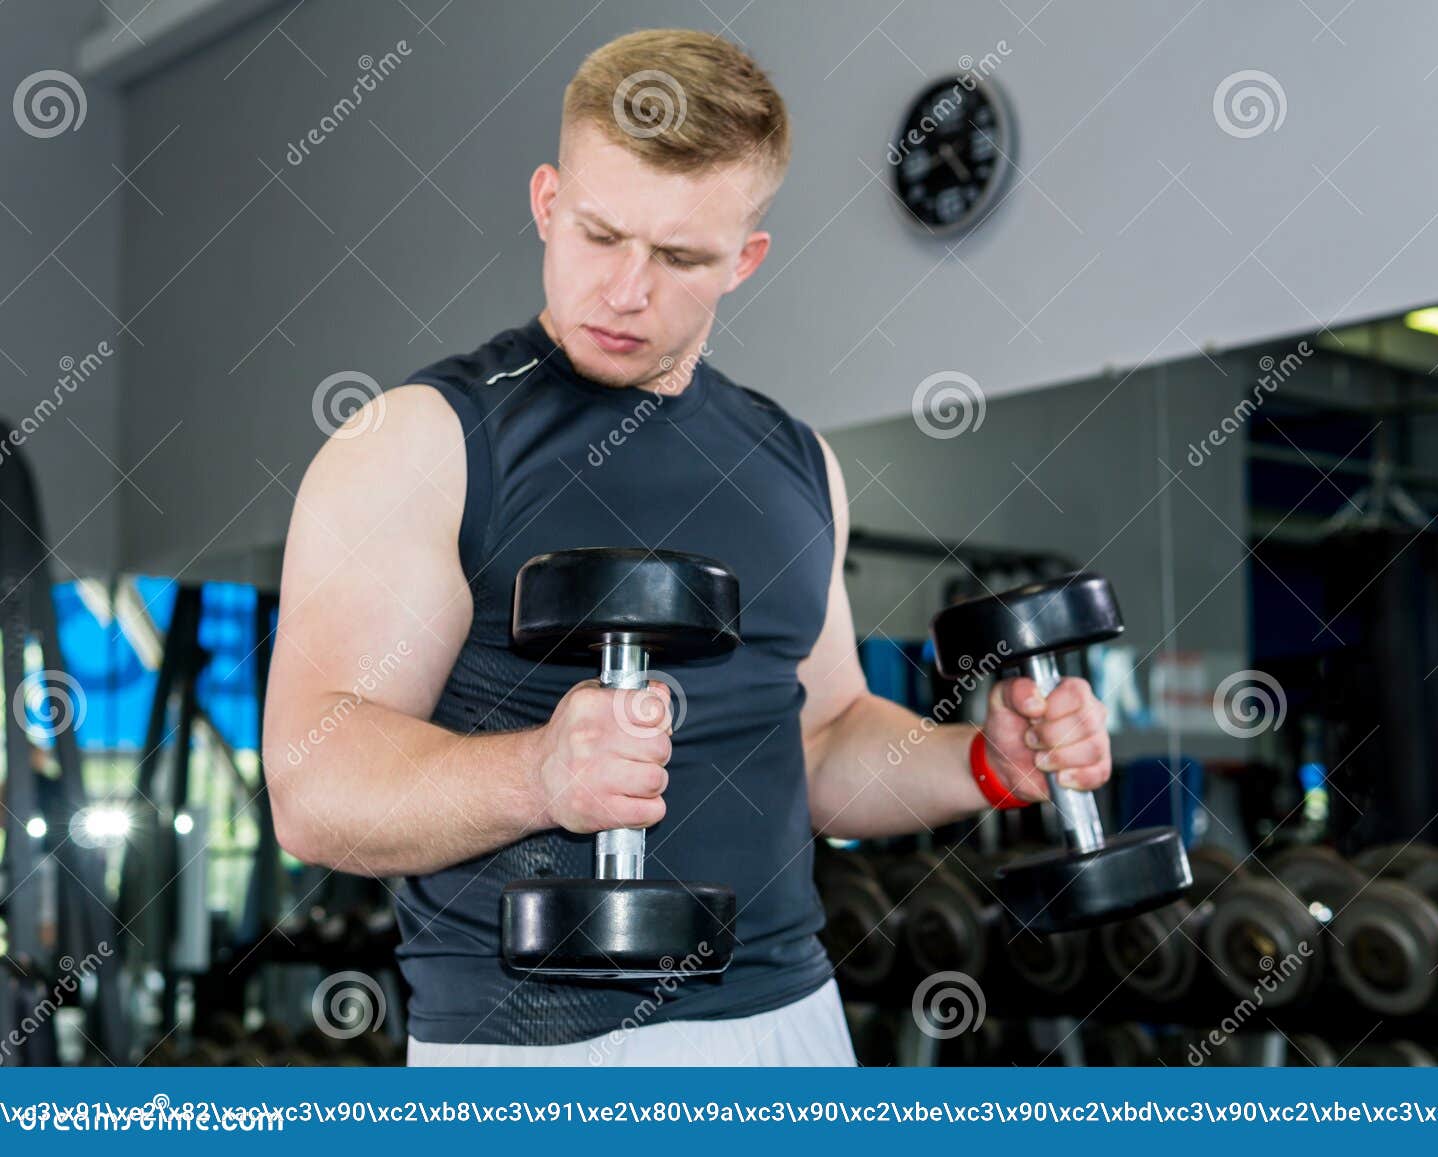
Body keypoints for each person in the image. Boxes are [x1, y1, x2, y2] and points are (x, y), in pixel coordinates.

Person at [262, 27, 1110, 1067]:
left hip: (792, 1025)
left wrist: (980, 757)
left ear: (743, 259)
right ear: (545, 202)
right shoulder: (421, 444)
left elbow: (824, 742)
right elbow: (311, 786)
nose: (627, 290)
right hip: (531, 1049)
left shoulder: (797, 465)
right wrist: (540, 774)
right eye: (598, 234)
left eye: (678, 257)